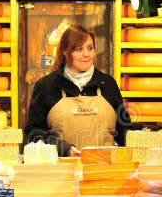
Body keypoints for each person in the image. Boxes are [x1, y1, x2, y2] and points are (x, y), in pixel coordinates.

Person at [25, 23, 132, 157]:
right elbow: (33, 131)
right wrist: (62, 148)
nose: (86, 54)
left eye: (90, 48)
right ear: (65, 51)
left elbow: (124, 129)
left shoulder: (108, 84)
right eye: (79, 49)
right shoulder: (47, 86)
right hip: (61, 170)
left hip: (103, 169)